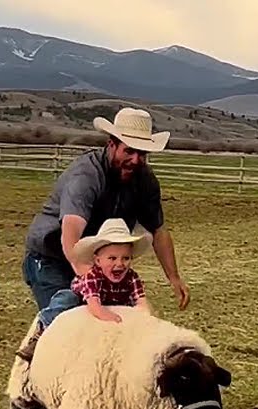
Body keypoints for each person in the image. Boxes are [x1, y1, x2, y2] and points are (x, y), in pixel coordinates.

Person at [19, 106, 189, 338]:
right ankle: (35, 355)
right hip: (52, 257)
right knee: (68, 319)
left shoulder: (145, 180)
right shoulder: (86, 177)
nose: (135, 160)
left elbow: (158, 230)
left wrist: (174, 277)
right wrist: (90, 279)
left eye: (142, 154)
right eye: (129, 151)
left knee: (112, 321)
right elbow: (71, 234)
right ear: (112, 144)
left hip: (99, 260)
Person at [15, 218, 154, 362]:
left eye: (125, 258)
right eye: (112, 258)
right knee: (65, 299)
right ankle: (41, 334)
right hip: (84, 300)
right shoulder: (92, 276)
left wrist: (143, 318)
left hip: (114, 302)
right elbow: (94, 305)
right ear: (98, 260)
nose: (119, 264)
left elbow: (141, 301)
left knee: (138, 311)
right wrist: (112, 318)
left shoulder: (131, 277)